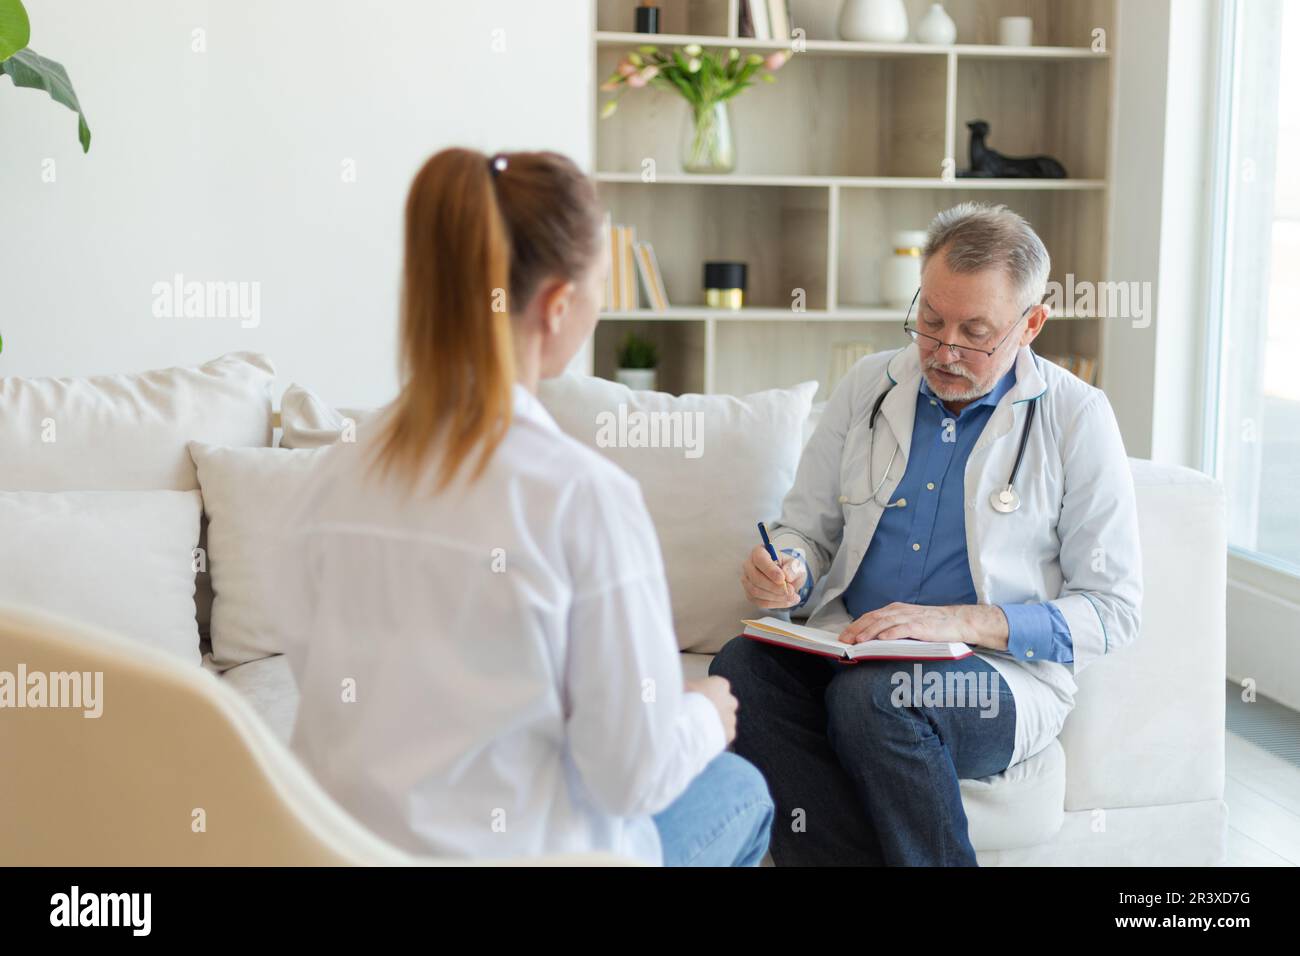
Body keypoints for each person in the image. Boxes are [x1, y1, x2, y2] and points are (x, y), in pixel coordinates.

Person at [280, 147, 772, 866]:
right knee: (741, 789)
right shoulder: (583, 499)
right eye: (600, 286)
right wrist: (704, 714)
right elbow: (630, 777)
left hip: (348, 851)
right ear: (559, 306)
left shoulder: (332, 476)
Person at [712, 202, 1142, 866]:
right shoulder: (870, 387)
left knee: (883, 697)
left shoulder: (1077, 418)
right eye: (931, 321)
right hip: (850, 646)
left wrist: (960, 624)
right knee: (742, 670)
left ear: (1031, 324)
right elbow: (807, 528)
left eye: (975, 332)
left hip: (996, 678)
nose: (944, 351)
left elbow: (1113, 613)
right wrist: (788, 566)